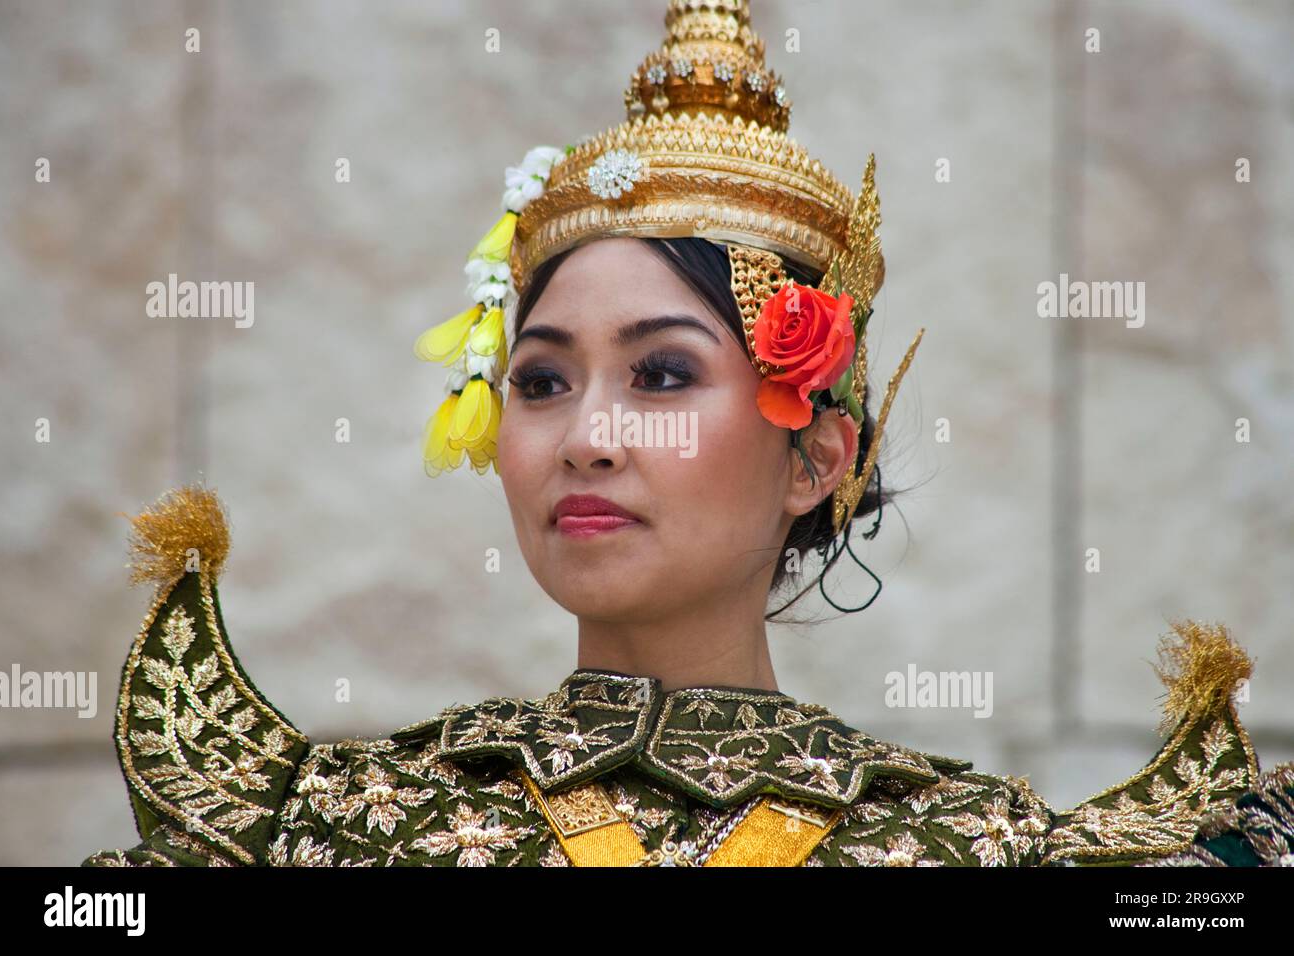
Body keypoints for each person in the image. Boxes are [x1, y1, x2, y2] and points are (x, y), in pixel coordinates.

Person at [82, 0, 1291, 868]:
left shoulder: (976, 845)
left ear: (818, 457)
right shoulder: (335, 827)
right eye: (543, 383)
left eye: (662, 373)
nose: (585, 437)